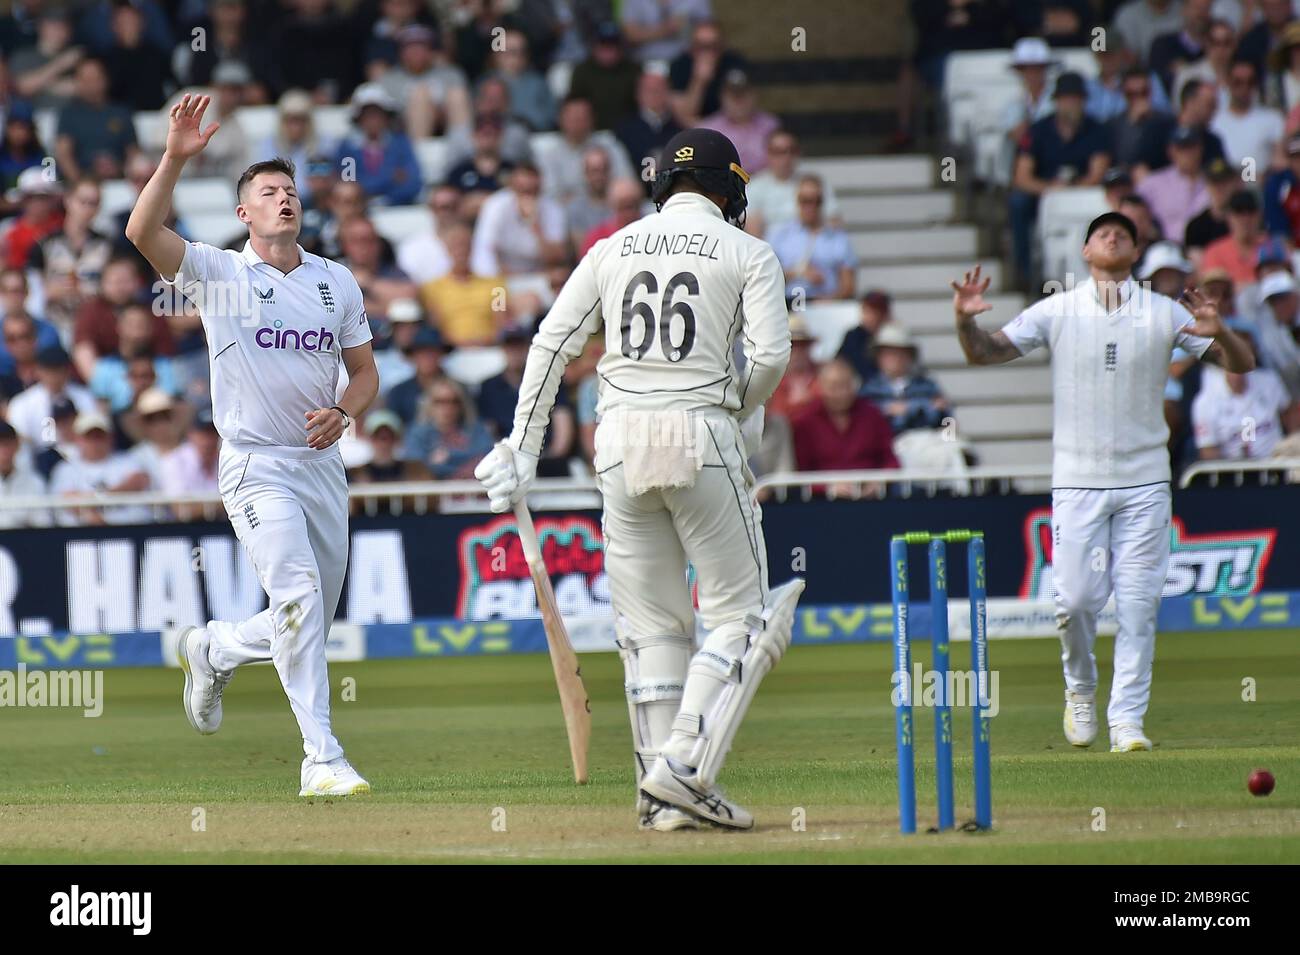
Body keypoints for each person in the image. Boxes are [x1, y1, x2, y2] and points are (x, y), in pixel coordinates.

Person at [474, 127, 803, 832]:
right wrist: (734, 403)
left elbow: (553, 342)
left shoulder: (611, 246)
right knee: (742, 617)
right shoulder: (751, 252)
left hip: (618, 440)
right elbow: (771, 357)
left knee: (653, 626)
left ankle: (660, 798)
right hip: (699, 431)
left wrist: (521, 450)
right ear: (729, 187)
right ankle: (682, 765)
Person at [126, 95, 380, 797]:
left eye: (292, 191)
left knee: (305, 620)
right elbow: (142, 229)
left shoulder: (336, 280)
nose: (285, 199)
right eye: (269, 192)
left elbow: (365, 374)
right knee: (297, 598)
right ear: (245, 214)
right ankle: (321, 758)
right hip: (255, 463)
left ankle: (213, 647)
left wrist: (343, 413)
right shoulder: (221, 275)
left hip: (322, 467)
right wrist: (176, 157)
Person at [950, 213, 1253, 753]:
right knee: (1076, 603)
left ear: (1134, 252)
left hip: (1145, 482)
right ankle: (1080, 689)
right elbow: (983, 351)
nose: (1112, 236)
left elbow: (1242, 362)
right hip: (1077, 482)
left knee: (1138, 606)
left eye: (1123, 233)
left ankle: (1128, 723)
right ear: (1086, 251)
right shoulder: (1059, 308)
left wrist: (1221, 329)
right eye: (1101, 232)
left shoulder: (1164, 314)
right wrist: (964, 321)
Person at [1009, 72, 1111, 287]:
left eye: (1076, 99)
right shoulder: (1037, 131)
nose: (1072, 105)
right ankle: (1025, 271)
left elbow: (1098, 172)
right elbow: (1022, 176)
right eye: (1067, 99)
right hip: (1045, 193)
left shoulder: (1097, 130)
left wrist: (1072, 189)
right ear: (1056, 102)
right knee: (1018, 202)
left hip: (1083, 194)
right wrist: (1049, 188)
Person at [791, 357, 899, 497]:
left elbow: (891, 460)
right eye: (834, 387)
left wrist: (879, 482)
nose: (841, 393)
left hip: (871, 499)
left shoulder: (873, 415)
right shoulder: (805, 421)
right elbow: (799, 471)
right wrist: (827, 487)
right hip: (821, 504)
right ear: (821, 387)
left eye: (846, 385)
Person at [1193, 323, 1299, 458]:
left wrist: (1292, 441)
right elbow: (1208, 451)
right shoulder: (1205, 402)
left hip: (1276, 461)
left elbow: (1290, 414)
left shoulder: (1269, 380)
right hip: (1232, 470)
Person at [768, 174, 857, 302]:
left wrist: (829, 300)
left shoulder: (838, 238)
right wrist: (798, 273)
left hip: (825, 306)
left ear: (822, 202)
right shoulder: (780, 236)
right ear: (797, 201)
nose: (811, 206)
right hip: (787, 305)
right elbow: (767, 278)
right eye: (805, 201)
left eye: (816, 201)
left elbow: (848, 286)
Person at [743, 129, 840, 238]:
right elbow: (751, 228)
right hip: (771, 251)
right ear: (767, 154)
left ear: (798, 153)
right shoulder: (756, 186)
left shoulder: (814, 183)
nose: (786, 157)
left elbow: (834, 220)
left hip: (812, 247)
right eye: (778, 151)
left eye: (791, 151)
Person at [859, 323, 950, 436]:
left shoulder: (927, 386)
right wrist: (926, 407)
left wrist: (909, 408)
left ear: (910, 356)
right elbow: (862, 422)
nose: (895, 359)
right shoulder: (869, 390)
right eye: (888, 353)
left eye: (900, 353)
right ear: (878, 357)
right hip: (883, 448)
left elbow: (949, 421)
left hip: (926, 447)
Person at [1136, 127, 1210, 243]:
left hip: (1204, 248)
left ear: (1200, 148)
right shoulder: (1153, 183)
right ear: (1171, 151)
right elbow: (1134, 212)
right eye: (1181, 148)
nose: (1187, 153)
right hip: (1164, 247)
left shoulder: (1214, 182)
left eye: (1191, 147)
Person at [1210, 57, 1285, 171]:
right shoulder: (1213, 120)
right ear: (1228, 82)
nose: (1244, 88)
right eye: (1238, 82)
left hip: (1259, 184)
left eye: (1250, 82)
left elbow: (1280, 160)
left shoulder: (1272, 118)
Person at [1201, 188, 1269, 285]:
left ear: (1260, 215)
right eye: (1238, 212)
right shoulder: (1215, 252)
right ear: (1228, 217)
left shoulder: (1273, 247)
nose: (1245, 219)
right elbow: (1214, 289)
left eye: (1251, 211)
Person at [0, 419, 49, 528]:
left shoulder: (34, 483)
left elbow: (42, 525)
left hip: (22, 542)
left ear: (17, 445)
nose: (3, 450)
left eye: (7, 444)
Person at [836, 289, 892, 382]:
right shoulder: (853, 337)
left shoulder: (894, 338)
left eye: (877, 311)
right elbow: (840, 364)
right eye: (869, 310)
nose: (873, 316)